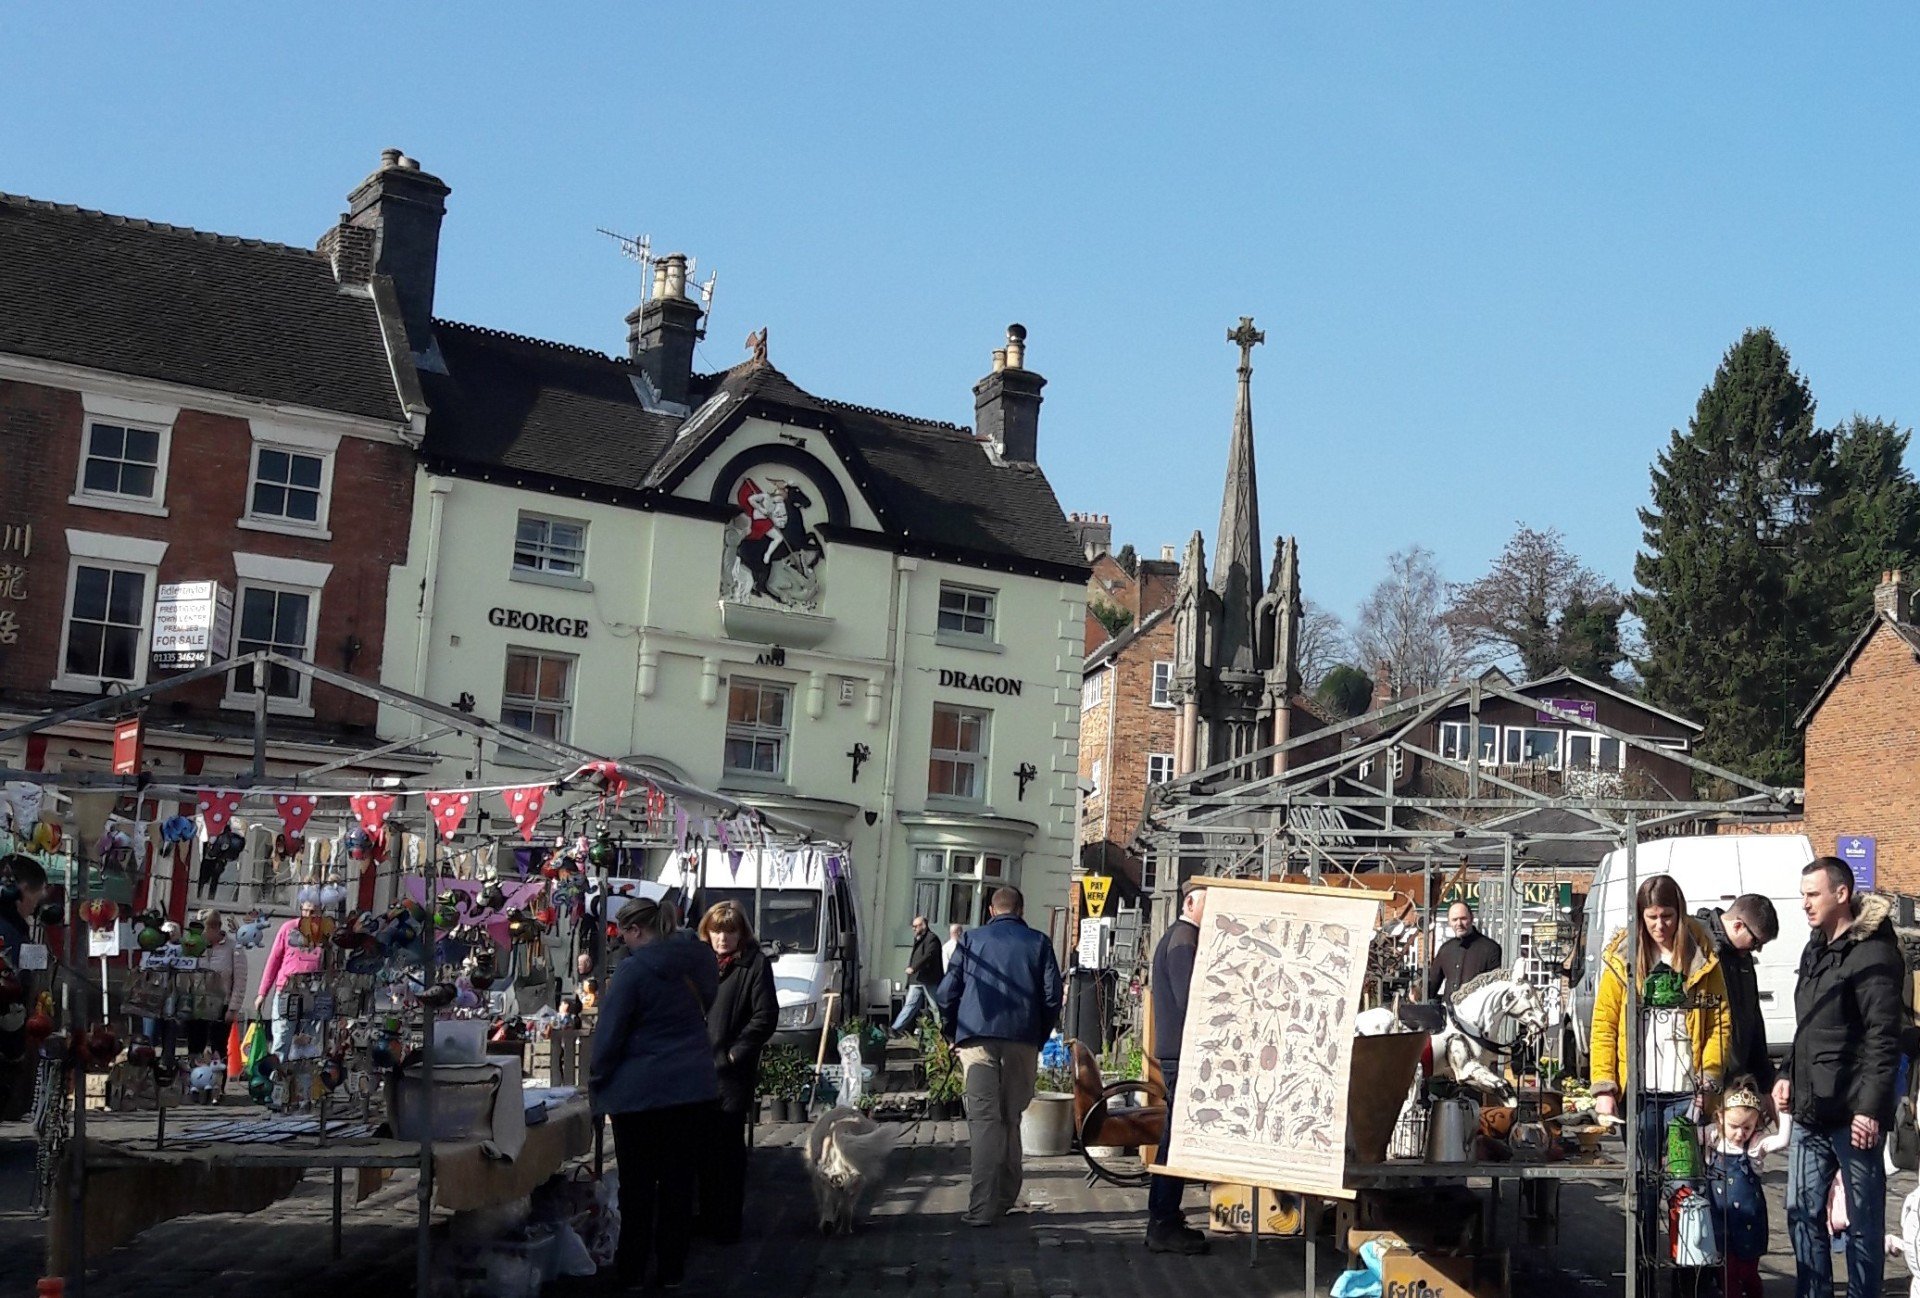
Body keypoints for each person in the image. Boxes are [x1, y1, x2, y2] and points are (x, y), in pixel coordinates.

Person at [1588, 875, 1728, 1288]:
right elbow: (1604, 1025)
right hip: (1641, 1096)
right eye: (1651, 917)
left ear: (1679, 914)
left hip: (1687, 1095)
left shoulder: (1703, 955)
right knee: (1642, 1196)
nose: (1660, 925)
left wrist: (1710, 1081)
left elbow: (1720, 1021)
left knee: (1686, 1194)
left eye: (1667, 916)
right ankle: (1643, 1281)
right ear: (1640, 916)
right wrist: (1605, 1088)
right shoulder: (1622, 957)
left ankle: (1689, 1285)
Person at [1772, 857, 1902, 1298]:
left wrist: (1869, 1109)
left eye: (1813, 894)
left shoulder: (1874, 955)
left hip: (1853, 1115)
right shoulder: (1815, 949)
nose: (1804, 903)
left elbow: (1883, 1038)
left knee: (1862, 1222)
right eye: (1803, 894)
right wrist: (1787, 1072)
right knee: (1801, 1211)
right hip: (1811, 1111)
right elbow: (1807, 1023)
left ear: (1841, 894)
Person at [590, 896, 720, 1290]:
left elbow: (610, 1036)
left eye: (622, 933)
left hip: (640, 1093)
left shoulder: (632, 972)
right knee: (679, 1185)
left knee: (639, 1186)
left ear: (635, 930)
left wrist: (597, 1081)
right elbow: (707, 1005)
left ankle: (632, 1271)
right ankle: (671, 1271)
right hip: (693, 1087)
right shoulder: (699, 960)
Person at [935, 885, 1063, 1228]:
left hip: (976, 1036)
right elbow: (1053, 996)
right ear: (1020, 910)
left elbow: (948, 990)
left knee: (984, 1121)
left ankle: (981, 1208)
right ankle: (1006, 1196)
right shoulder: (1039, 943)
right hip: (1022, 1036)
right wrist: (1037, 1035)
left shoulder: (971, 941)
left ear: (991, 910)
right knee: (1011, 1118)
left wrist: (951, 1029)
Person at [696, 899, 777, 1244]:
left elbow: (765, 1017)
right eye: (717, 931)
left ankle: (726, 1223)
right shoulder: (699, 964)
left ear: (741, 932)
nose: (722, 938)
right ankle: (702, 1217)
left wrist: (733, 1055)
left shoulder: (754, 964)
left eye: (729, 931)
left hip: (730, 1073)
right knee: (700, 1148)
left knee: (727, 1149)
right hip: (694, 1068)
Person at [1144, 881, 1209, 1255]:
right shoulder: (1185, 939)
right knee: (1177, 1136)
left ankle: (1166, 1217)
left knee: (1177, 1134)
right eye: (1209, 904)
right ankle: (1163, 1220)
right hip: (1181, 1050)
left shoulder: (1181, 935)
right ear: (1190, 902)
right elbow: (1192, 999)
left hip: (1176, 1048)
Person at [1710, 1078, 1792, 1298]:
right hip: (1720, 1219)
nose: (1740, 1133)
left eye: (1747, 1127)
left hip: (1748, 1222)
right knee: (1726, 1273)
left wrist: (1783, 1108)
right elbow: (1687, 1129)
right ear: (1720, 1118)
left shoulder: (1755, 1145)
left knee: (1747, 1272)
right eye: (1734, 1126)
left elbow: (1783, 1140)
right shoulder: (1713, 1137)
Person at [1701, 894, 1779, 1096]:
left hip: (1734, 1082)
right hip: (1702, 1083)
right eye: (1755, 942)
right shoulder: (1700, 947)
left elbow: (1753, 1021)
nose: (1756, 950)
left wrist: (1765, 1083)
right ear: (1737, 926)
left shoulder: (1742, 959)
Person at [0, 855, 48, 1121]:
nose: (38, 903)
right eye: (38, 894)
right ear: (24, 890)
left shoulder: (21, 930)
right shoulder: (9, 928)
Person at [254, 900, 326, 1056]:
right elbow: (274, 960)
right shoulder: (288, 928)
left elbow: (330, 965)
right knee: (281, 1041)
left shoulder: (325, 933)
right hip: (287, 992)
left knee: (308, 1046)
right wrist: (262, 993)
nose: (307, 915)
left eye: (312, 912)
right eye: (304, 910)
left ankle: (300, 1077)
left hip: (313, 994)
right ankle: (275, 1077)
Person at [188, 910, 247, 1063]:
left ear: (216, 928)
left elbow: (240, 981)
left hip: (222, 1006)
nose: (201, 934)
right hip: (198, 1004)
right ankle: (193, 1081)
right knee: (195, 1050)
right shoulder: (195, 946)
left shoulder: (234, 948)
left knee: (219, 1051)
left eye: (205, 929)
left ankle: (217, 1084)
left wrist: (233, 1008)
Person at [1428, 902, 1501, 1002]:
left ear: (1471, 918)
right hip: (1448, 1013)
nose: (1459, 924)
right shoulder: (1445, 949)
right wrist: (1416, 992)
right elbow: (1432, 985)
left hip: (1477, 1014)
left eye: (1463, 918)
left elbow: (1495, 989)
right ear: (1449, 922)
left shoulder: (1490, 948)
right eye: (1454, 920)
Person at [891, 915, 943, 1037]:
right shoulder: (919, 939)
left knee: (935, 1007)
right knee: (910, 1005)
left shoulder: (932, 938)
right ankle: (895, 1028)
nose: (913, 929)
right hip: (917, 979)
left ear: (923, 926)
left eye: (915, 926)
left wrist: (914, 968)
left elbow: (928, 956)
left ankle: (942, 1032)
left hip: (928, 979)